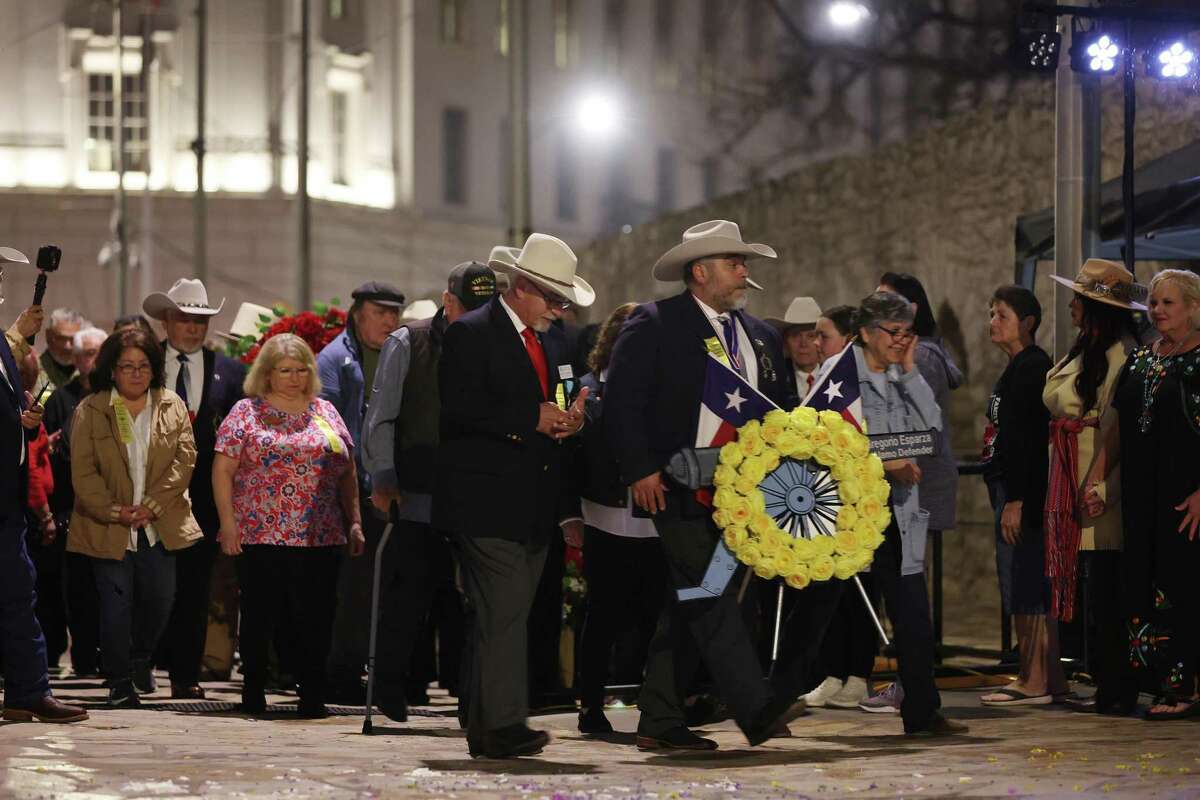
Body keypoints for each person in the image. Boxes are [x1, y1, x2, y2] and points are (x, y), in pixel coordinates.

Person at [605, 219, 803, 751]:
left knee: (695, 599)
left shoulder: (760, 335)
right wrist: (639, 469)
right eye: (734, 262)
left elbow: (778, 410)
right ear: (700, 271)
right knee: (711, 597)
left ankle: (660, 717)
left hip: (742, 496)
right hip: (678, 489)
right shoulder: (655, 322)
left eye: (744, 262)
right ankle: (755, 708)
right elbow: (621, 401)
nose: (744, 271)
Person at [434, 233, 591, 758]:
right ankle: (503, 725)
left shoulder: (554, 342)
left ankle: (487, 726)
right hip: (485, 500)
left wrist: (569, 421)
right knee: (504, 612)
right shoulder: (471, 334)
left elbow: (557, 400)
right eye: (552, 298)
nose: (558, 310)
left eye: (563, 301)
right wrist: (531, 418)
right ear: (522, 287)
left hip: (533, 501)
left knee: (504, 616)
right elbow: (457, 411)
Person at [363, 261, 498, 721]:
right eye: (466, 307)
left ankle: (468, 699)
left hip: (474, 492)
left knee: (466, 603)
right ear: (447, 300)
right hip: (418, 489)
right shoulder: (409, 341)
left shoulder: (493, 341)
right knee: (408, 596)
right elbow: (381, 415)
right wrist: (382, 476)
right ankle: (390, 688)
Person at [214, 333, 365, 718]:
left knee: (315, 618)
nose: (295, 378)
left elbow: (347, 472)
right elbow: (223, 470)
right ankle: (253, 691)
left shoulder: (325, 412)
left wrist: (355, 522)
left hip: (320, 533)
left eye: (302, 370)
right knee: (262, 616)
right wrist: (227, 524)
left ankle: (312, 693)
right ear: (267, 374)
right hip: (261, 533)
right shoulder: (246, 412)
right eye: (286, 371)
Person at [1085, 268, 1200, 719]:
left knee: (1183, 584)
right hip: (1140, 494)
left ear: (1192, 306)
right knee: (1140, 585)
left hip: (1184, 496)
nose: (1158, 311)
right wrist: (1098, 476)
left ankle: (1184, 687)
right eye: (1154, 303)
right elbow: (1116, 429)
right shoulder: (1140, 360)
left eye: (1169, 303)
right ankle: (1151, 682)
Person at [67, 327, 203, 707]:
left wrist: (153, 505)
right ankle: (119, 678)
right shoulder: (91, 410)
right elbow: (83, 471)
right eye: (126, 366)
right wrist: (115, 510)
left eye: (143, 366)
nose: (136, 373)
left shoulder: (171, 404)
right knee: (116, 603)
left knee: (161, 599)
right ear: (111, 370)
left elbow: (184, 459)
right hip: (108, 524)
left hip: (159, 522)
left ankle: (141, 656)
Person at [1043, 260, 1142, 715]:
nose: (1070, 306)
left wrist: (1106, 485)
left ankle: (1116, 686)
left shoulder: (1122, 356)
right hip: (1073, 473)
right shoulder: (1089, 349)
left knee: (1108, 589)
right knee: (1096, 587)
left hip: (1096, 483)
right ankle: (1107, 682)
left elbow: (1121, 430)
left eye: (1078, 299)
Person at [142, 278, 246, 699]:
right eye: (184, 318)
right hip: (148, 490)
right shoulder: (144, 363)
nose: (193, 327)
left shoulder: (230, 371)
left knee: (194, 588)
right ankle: (140, 665)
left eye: (201, 320)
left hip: (204, 496)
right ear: (166, 320)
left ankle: (186, 674)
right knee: (149, 585)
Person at [566, 302, 665, 735]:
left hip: (655, 518)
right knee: (602, 615)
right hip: (604, 516)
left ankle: (655, 702)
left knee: (652, 615)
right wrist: (568, 515)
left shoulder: (661, 390)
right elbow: (567, 457)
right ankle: (590, 705)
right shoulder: (583, 388)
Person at [0, 291, 87, 723]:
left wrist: (22, 418)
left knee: (18, 593)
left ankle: (28, 691)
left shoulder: (3, 343)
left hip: (6, 497)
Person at [978, 286, 1067, 705]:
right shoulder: (1017, 367)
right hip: (1012, 489)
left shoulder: (1032, 367)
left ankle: (1033, 678)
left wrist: (1017, 499)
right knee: (1023, 576)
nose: (992, 322)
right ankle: (1044, 677)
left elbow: (1028, 441)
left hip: (1022, 493)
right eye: (991, 314)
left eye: (1001, 315)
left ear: (1027, 324)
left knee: (1026, 577)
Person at [320, 281, 404, 703]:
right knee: (351, 588)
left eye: (394, 313)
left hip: (383, 486)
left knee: (376, 586)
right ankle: (341, 673)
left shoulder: (396, 353)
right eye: (379, 312)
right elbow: (330, 433)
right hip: (349, 489)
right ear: (357, 313)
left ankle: (357, 670)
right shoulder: (336, 360)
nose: (389, 321)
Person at [798, 304, 878, 712]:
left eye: (822, 335)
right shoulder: (824, 377)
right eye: (812, 335)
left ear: (849, 339)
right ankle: (833, 672)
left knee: (859, 592)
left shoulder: (859, 376)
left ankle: (859, 675)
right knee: (830, 591)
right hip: (822, 498)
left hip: (856, 499)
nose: (815, 342)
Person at [43, 326, 107, 676]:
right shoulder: (59, 399)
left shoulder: (115, 396)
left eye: (99, 352)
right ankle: (83, 658)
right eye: (86, 354)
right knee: (77, 589)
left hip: (110, 505)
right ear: (76, 360)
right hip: (71, 508)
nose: (92, 360)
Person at [766, 297, 823, 401]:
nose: (803, 344)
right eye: (795, 336)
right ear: (785, 342)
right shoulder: (774, 378)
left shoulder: (835, 373)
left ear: (821, 340)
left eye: (811, 336)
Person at [37, 308, 88, 396]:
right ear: (48, 335)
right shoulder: (33, 370)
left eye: (73, 339)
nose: (67, 346)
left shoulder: (88, 372)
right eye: (61, 338)